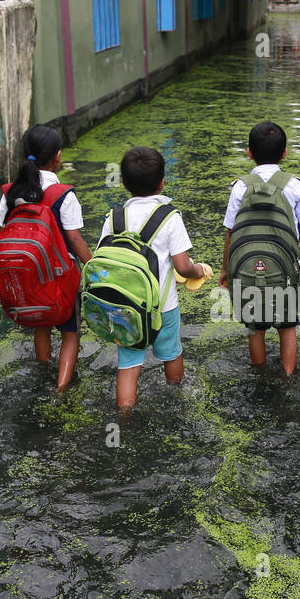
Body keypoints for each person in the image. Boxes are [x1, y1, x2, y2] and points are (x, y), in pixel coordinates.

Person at [96, 146, 209, 410]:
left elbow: (103, 259)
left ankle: (124, 416)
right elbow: (182, 266)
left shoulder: (113, 218)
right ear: (162, 182)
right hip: (163, 307)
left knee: (128, 364)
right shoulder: (170, 217)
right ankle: (176, 398)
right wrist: (198, 271)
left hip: (124, 307)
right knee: (171, 353)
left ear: (123, 183)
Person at [0, 125, 92, 392]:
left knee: (40, 326)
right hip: (61, 278)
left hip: (27, 278)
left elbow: (7, 234)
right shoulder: (63, 194)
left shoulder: (9, 193)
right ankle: (61, 388)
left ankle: (43, 374)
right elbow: (74, 239)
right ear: (57, 156)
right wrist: (95, 267)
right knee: (70, 331)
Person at [219, 121, 300, 375]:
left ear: (249, 152)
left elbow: (231, 232)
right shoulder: (294, 185)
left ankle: (259, 375)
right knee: (287, 327)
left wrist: (226, 270)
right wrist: (292, 251)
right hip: (284, 271)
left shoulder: (240, 186)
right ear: (285, 153)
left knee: (255, 328)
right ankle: (288, 378)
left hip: (247, 268)